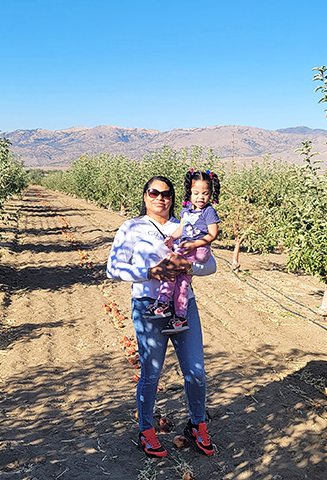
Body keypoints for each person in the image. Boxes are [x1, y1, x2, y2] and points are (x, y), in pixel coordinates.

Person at [106, 175, 217, 458]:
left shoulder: (187, 224)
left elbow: (210, 264)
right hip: (148, 305)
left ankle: (197, 424)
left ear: (173, 197)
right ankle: (145, 429)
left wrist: (189, 268)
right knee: (151, 372)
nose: (160, 198)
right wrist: (150, 273)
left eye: (166, 194)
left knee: (196, 372)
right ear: (145, 196)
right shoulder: (132, 227)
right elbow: (113, 268)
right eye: (154, 193)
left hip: (183, 305)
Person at [144, 170, 220, 335]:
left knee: (170, 268)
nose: (201, 197)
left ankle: (163, 304)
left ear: (211, 194)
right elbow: (181, 228)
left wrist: (194, 244)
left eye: (205, 194)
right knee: (182, 283)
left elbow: (213, 234)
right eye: (196, 193)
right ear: (189, 193)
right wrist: (172, 237)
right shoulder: (186, 210)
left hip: (198, 249)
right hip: (187, 246)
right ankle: (179, 318)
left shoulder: (208, 211)